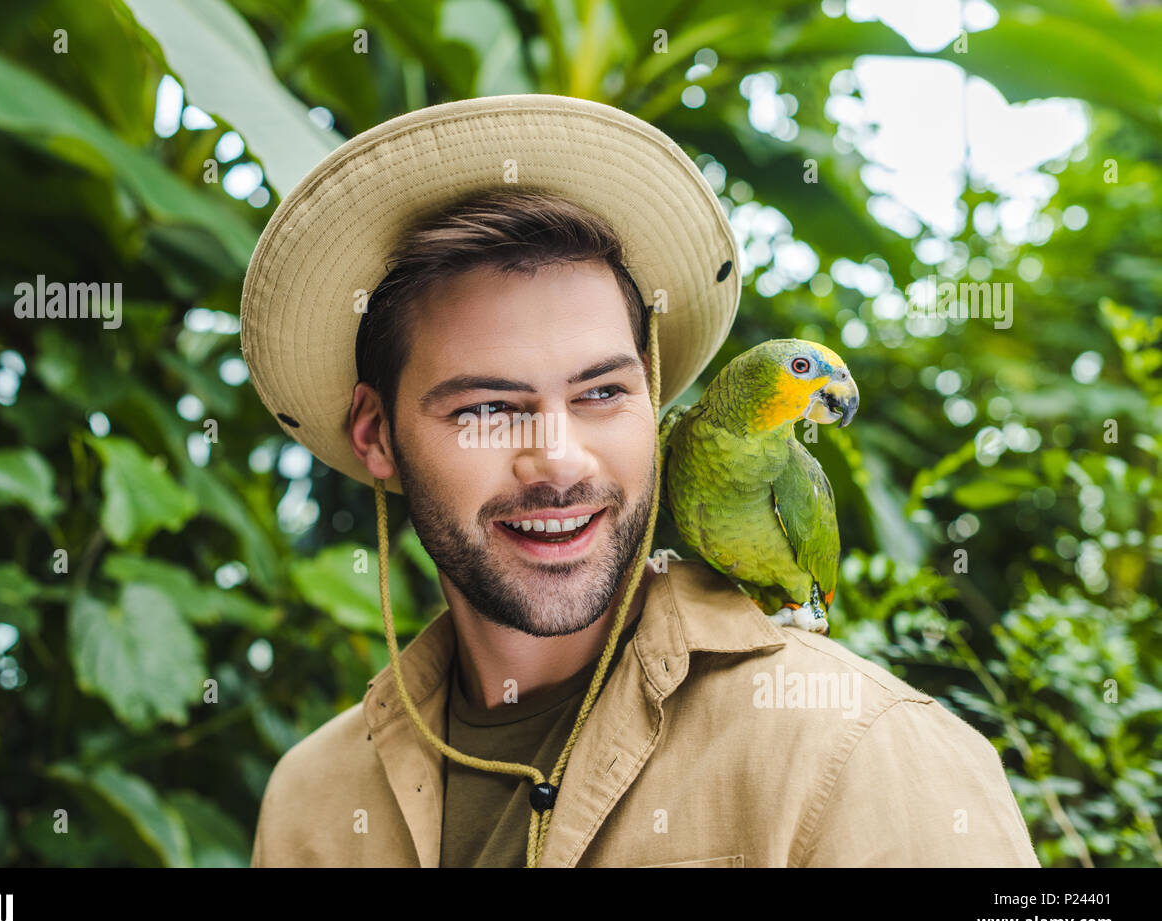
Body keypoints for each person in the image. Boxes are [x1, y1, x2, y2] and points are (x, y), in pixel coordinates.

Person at [242, 94, 1040, 868]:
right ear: (377, 435)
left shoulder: (864, 752)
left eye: (601, 393)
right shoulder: (310, 800)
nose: (558, 460)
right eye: (488, 407)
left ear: (653, 402)